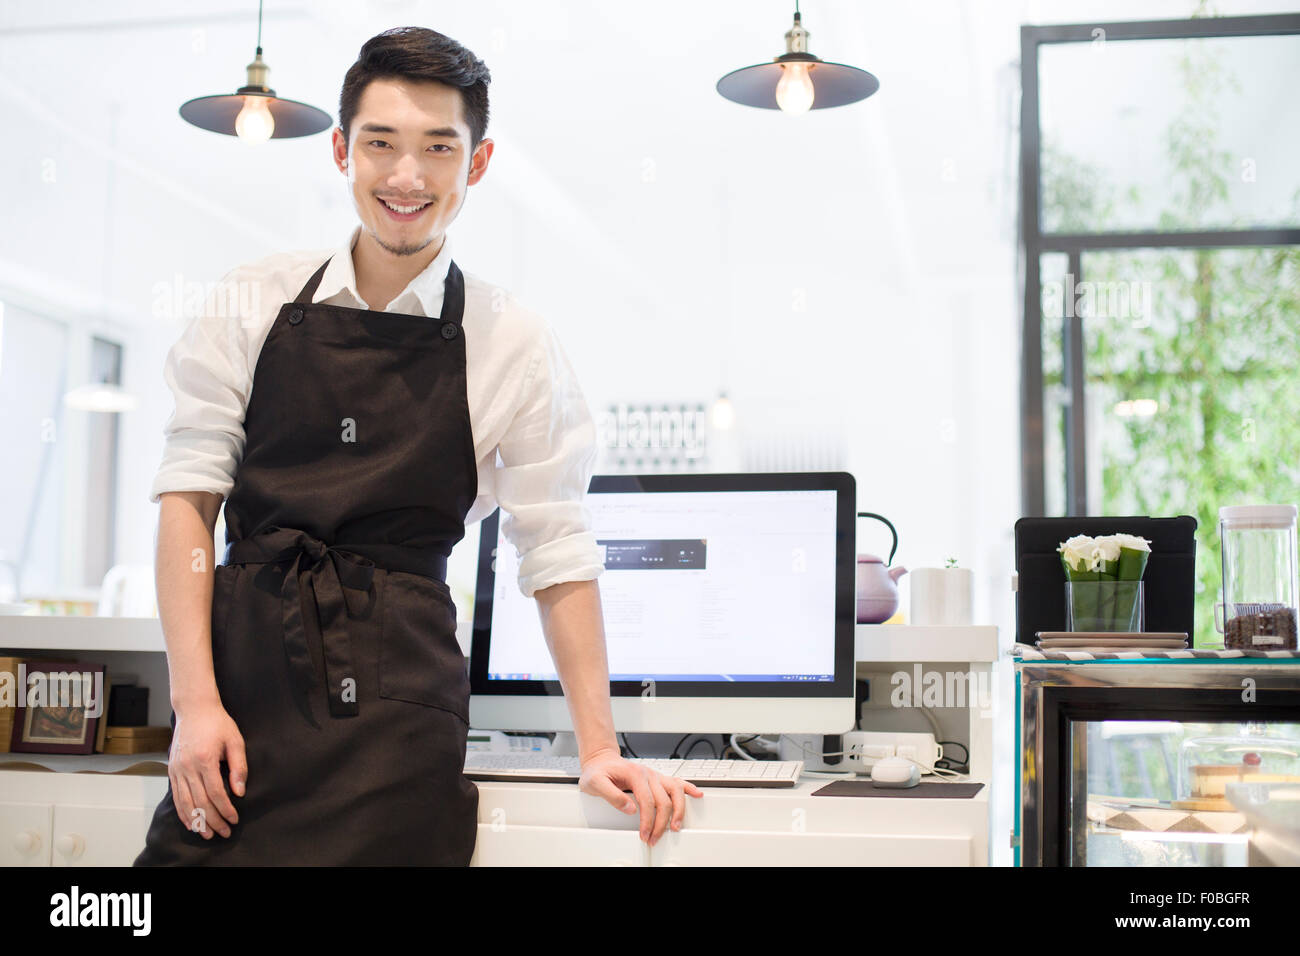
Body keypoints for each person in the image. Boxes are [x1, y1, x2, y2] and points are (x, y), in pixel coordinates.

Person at [134, 25, 701, 866]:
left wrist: (598, 748)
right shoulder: (250, 301)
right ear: (340, 151)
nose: (408, 176)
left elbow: (557, 550)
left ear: (476, 162)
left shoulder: (512, 340)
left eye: (439, 147)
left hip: (396, 731)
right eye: (381, 144)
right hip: (238, 710)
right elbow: (189, 498)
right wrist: (195, 705)